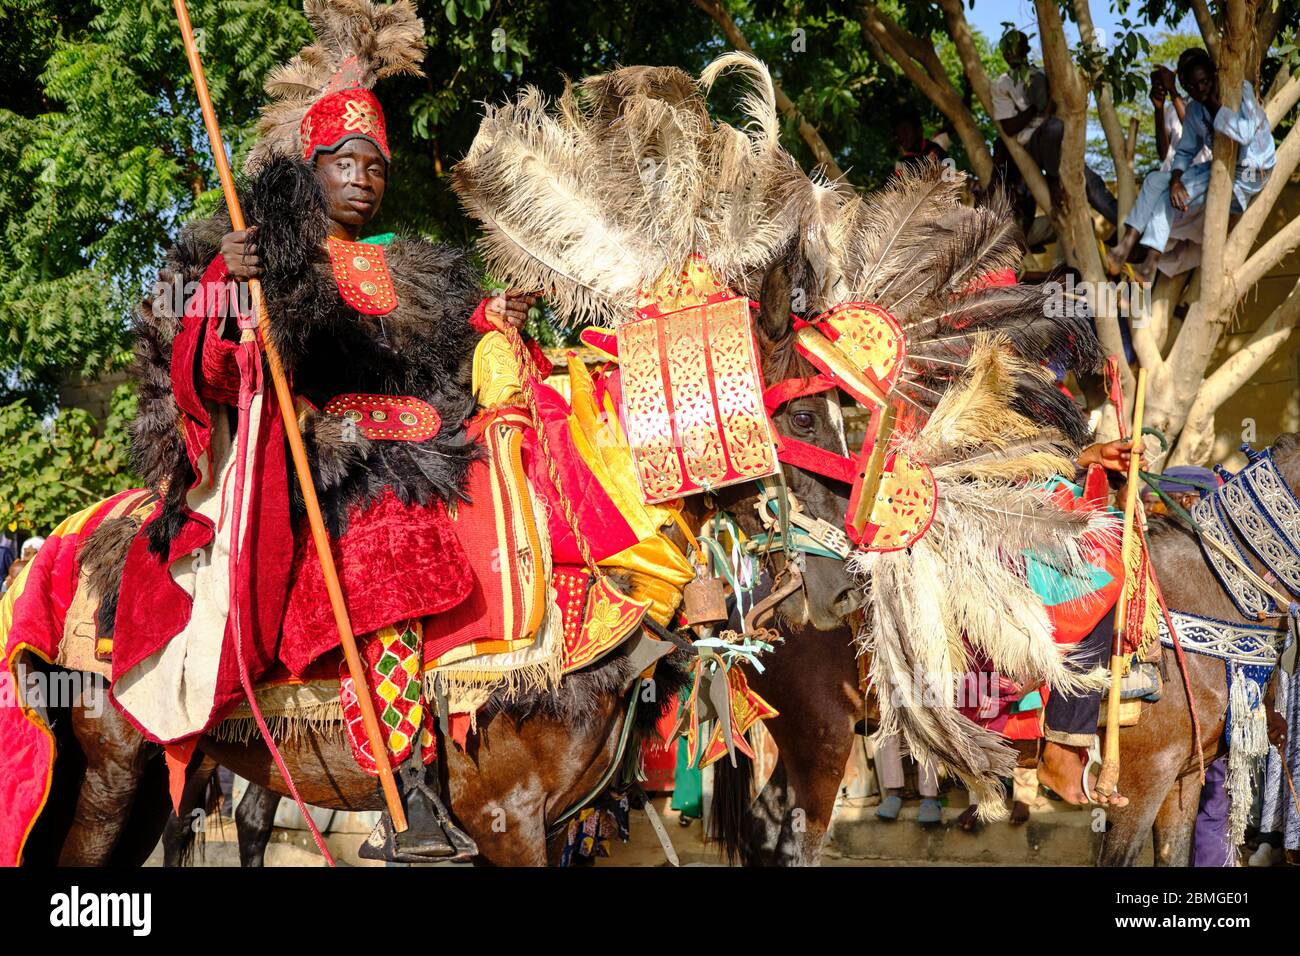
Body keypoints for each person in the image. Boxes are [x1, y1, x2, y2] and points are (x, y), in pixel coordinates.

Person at [89, 0, 534, 863]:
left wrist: (493, 315)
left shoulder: (416, 263)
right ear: (315, 171)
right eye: (344, 164)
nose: (363, 178)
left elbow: (450, 344)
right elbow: (219, 369)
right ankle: (399, 793)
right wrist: (228, 283)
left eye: (375, 165)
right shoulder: (266, 256)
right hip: (313, 462)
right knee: (392, 551)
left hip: (427, 447)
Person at [1108, 48, 1276, 284]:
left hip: (1252, 171)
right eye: (1194, 87)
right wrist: (1175, 179)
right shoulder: (1196, 109)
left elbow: (1244, 134)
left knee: (1170, 198)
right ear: (1186, 86)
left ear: (1214, 74)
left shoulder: (1240, 90)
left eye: (1205, 81)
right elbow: (1185, 151)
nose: (1201, 89)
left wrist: (1212, 103)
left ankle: (1148, 267)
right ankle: (1124, 247)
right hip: (1223, 168)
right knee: (1156, 180)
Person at [991, 30, 1118, 226]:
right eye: (1007, 49)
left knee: (1091, 185)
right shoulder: (1002, 84)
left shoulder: (1042, 74)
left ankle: (1128, 227)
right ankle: (1053, 177)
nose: (1011, 53)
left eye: (1015, 47)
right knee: (1054, 127)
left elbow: (1059, 106)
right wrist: (1036, 107)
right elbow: (1009, 127)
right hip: (1032, 144)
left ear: (1025, 49)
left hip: (1058, 146)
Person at [894, 106, 948, 177]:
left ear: (919, 130)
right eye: (899, 134)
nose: (902, 137)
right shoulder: (901, 163)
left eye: (905, 130)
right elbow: (902, 186)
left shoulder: (936, 147)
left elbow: (950, 173)